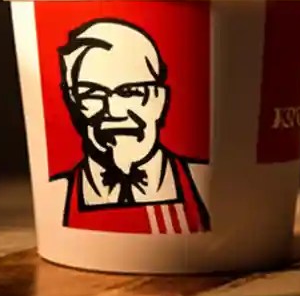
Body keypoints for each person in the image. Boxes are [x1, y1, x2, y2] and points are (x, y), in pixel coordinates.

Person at [51, 18, 210, 234]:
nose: (115, 111)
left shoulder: (205, 182)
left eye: (131, 92)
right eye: (93, 94)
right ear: (72, 102)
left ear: (160, 99)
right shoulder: (56, 196)